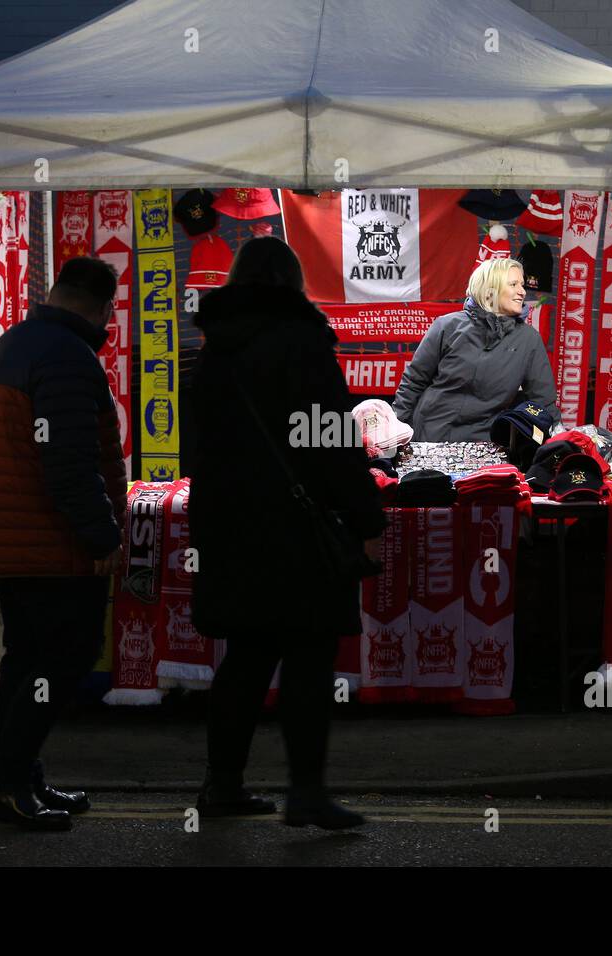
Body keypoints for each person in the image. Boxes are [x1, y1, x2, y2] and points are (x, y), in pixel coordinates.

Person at [189, 236, 385, 830]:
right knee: (307, 658)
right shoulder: (302, 343)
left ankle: (222, 786)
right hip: (300, 531)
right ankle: (306, 792)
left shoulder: (212, 350)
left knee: (245, 657)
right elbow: (331, 440)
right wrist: (368, 518)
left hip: (229, 526)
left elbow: (201, 447)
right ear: (293, 284)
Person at [0, 257, 128, 831]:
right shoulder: (64, 357)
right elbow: (68, 463)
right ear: (100, 304)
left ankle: (22, 775)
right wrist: (102, 534)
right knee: (65, 658)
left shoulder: (13, 344)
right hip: (49, 544)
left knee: (27, 659)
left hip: (13, 541)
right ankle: (7, 779)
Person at [392, 257, 556, 441]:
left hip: (485, 444)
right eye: (513, 284)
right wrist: (395, 432)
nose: (522, 292)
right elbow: (413, 382)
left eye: (522, 285)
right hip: (429, 437)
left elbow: (544, 402)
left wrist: (559, 439)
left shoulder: (529, 340)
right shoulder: (448, 326)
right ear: (490, 290)